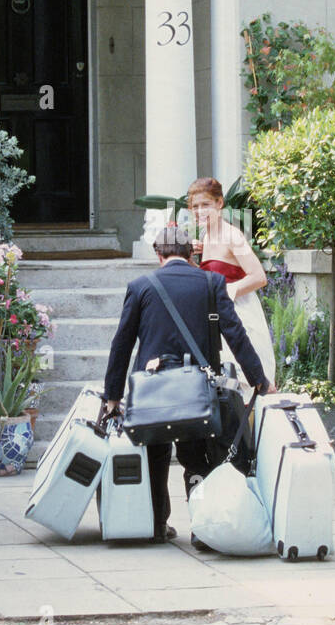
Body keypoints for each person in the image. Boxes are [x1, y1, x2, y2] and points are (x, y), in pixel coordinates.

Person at [103, 225, 274, 544]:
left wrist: (112, 396)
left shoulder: (141, 286)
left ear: (158, 255)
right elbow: (235, 334)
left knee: (155, 456)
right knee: (197, 456)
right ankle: (202, 527)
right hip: (198, 388)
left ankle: (156, 525)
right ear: (191, 253)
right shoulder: (212, 282)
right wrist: (259, 380)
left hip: (152, 389)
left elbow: (122, 344)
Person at [186, 177, 277, 392]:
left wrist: (225, 292)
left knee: (246, 384)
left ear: (219, 203)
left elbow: (259, 276)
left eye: (206, 205)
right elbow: (211, 279)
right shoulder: (207, 237)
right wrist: (189, 259)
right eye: (195, 206)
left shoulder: (233, 236)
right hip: (220, 318)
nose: (200, 211)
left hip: (241, 316)